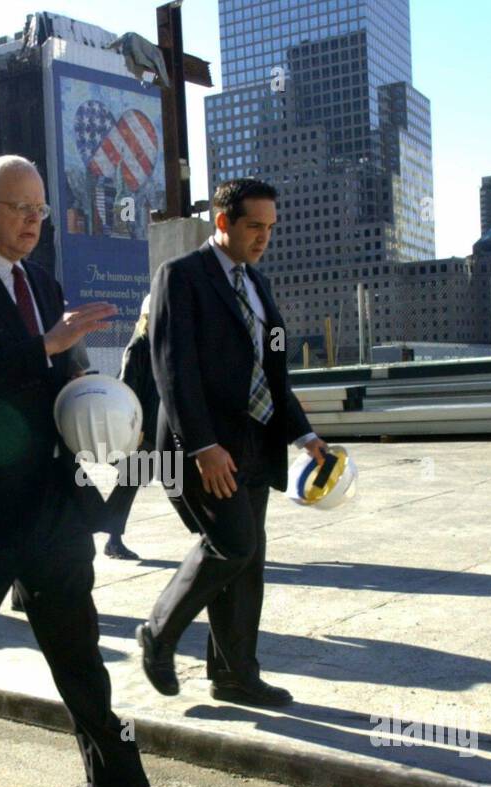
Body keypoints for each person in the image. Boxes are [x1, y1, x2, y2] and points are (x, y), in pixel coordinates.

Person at [0, 154, 197, 787]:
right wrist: (45, 346)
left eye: (40, 209)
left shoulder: (43, 282)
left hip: (50, 508)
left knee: (81, 659)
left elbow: (57, 379)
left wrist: (97, 403)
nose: (33, 220)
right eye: (19, 207)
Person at [138, 178, 328, 708]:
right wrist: (201, 446)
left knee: (248, 561)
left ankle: (235, 675)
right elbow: (173, 370)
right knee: (233, 544)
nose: (264, 237)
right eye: (254, 227)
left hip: (253, 444)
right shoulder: (180, 277)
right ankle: (158, 632)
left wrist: (305, 435)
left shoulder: (258, 285)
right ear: (223, 222)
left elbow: (274, 373)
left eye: (270, 228)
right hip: (200, 451)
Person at [101, 294, 159, 561]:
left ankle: (107, 529)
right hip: (142, 430)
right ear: (147, 318)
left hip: (156, 427)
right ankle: (110, 534)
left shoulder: (158, 345)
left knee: (131, 482)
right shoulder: (139, 346)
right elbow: (127, 390)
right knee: (130, 482)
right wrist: (135, 430)